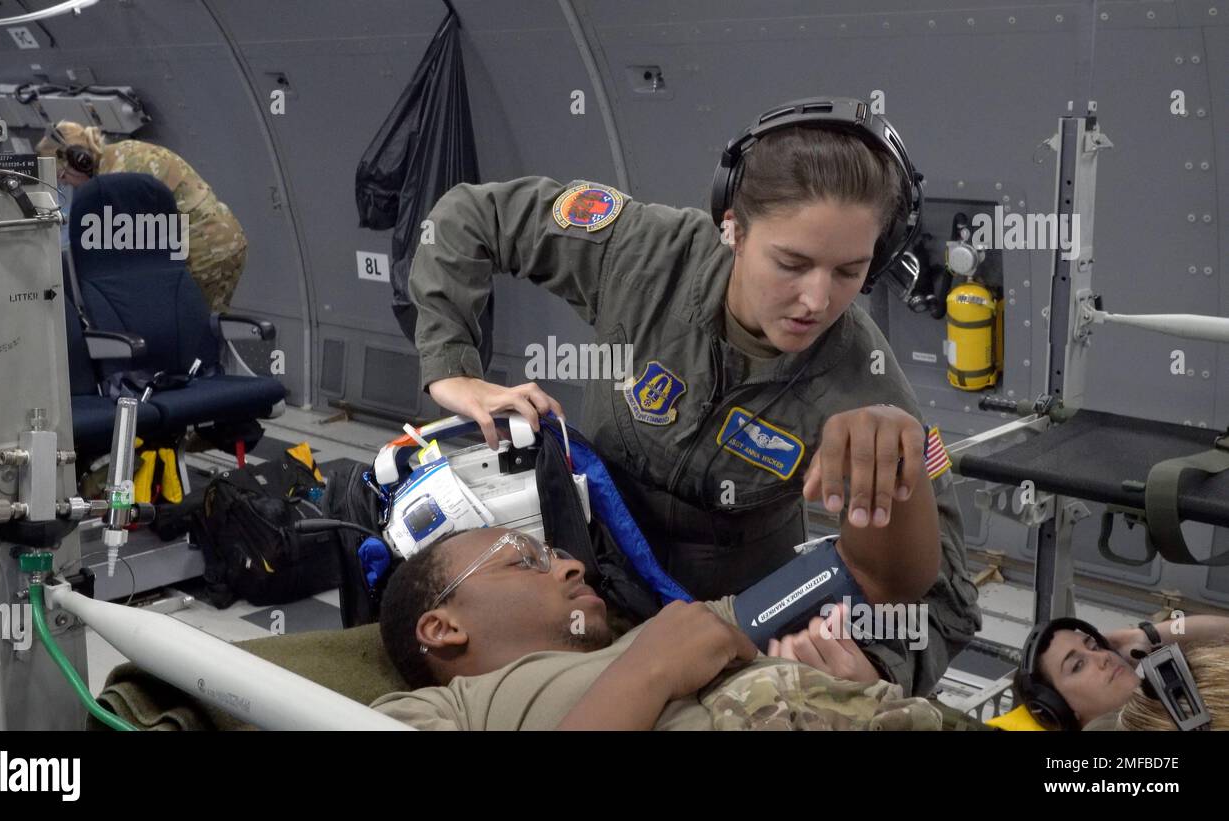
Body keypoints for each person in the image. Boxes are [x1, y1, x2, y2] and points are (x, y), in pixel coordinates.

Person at [405, 97, 980, 695]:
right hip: (581, 577)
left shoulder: (867, 388)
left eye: (848, 272)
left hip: (730, 632)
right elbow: (469, 217)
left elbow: (947, 601)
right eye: (791, 263)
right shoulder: (644, 254)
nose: (817, 300)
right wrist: (452, 366)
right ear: (733, 227)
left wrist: (876, 666)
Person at [370, 526, 981, 731]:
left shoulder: (670, 629)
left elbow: (872, 572)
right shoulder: (437, 710)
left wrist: (895, 451)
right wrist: (648, 673)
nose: (571, 563)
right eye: (524, 559)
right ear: (441, 627)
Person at [36, 121, 247, 312]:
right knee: (207, 324)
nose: (65, 184)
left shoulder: (118, 178)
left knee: (193, 329)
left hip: (204, 248)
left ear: (79, 160)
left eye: (63, 176)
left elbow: (132, 251)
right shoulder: (119, 154)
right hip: (218, 238)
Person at [1017, 614, 1229, 730]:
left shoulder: (1164, 696)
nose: (1103, 657)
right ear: (1059, 707)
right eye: (1077, 666)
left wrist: (1147, 636)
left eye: (1094, 646)